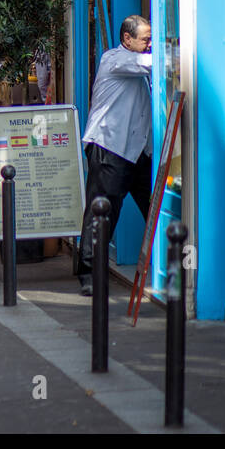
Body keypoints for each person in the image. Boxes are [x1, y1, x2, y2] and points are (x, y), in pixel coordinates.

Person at [76, 15, 154, 296]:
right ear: (127, 39)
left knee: (157, 211)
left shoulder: (139, 65)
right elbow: (145, 64)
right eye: (145, 38)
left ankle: (170, 270)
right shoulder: (114, 59)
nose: (149, 44)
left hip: (138, 153)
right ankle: (88, 274)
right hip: (110, 148)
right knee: (101, 213)